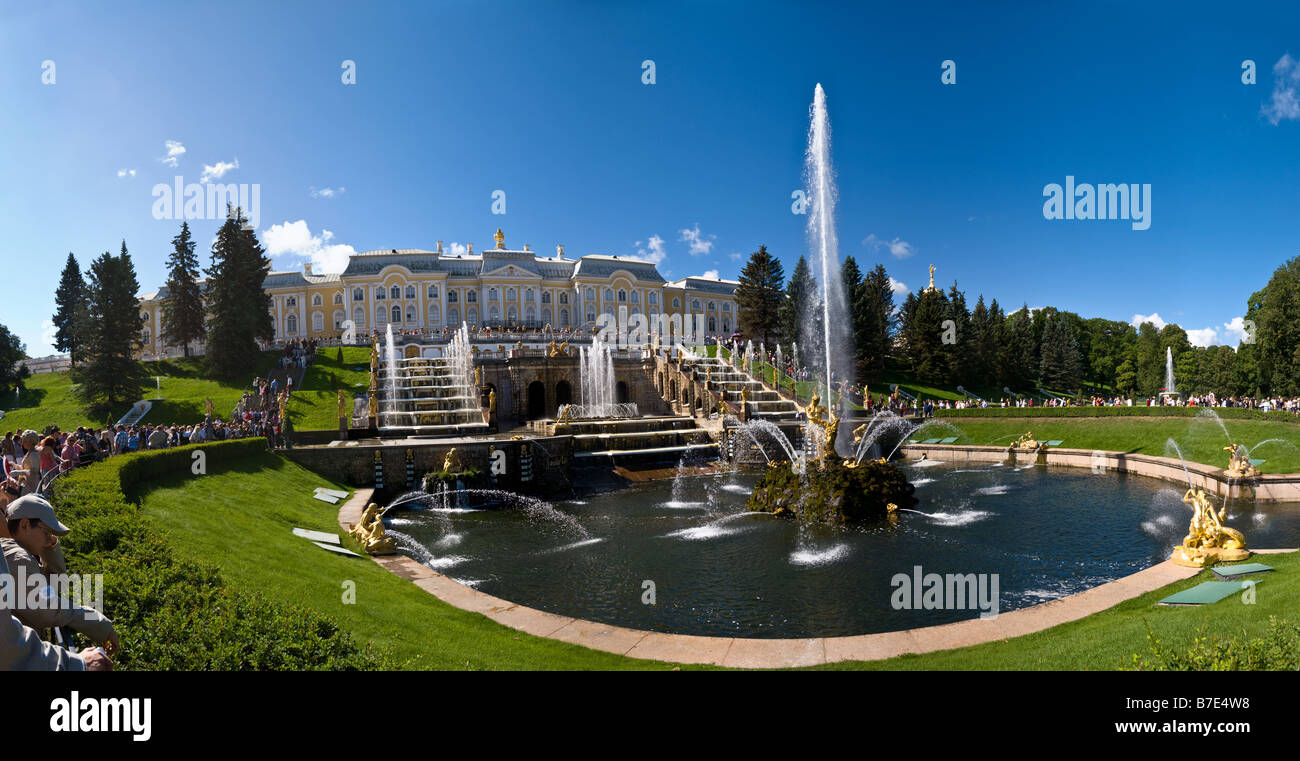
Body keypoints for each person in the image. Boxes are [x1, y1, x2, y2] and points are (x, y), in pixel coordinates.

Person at [3, 495, 119, 655]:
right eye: (46, 532)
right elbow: (50, 608)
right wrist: (101, 625)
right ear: (25, 525)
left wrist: (50, 550)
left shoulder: (14, 552)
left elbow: (55, 584)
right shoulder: (18, 560)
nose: (49, 538)